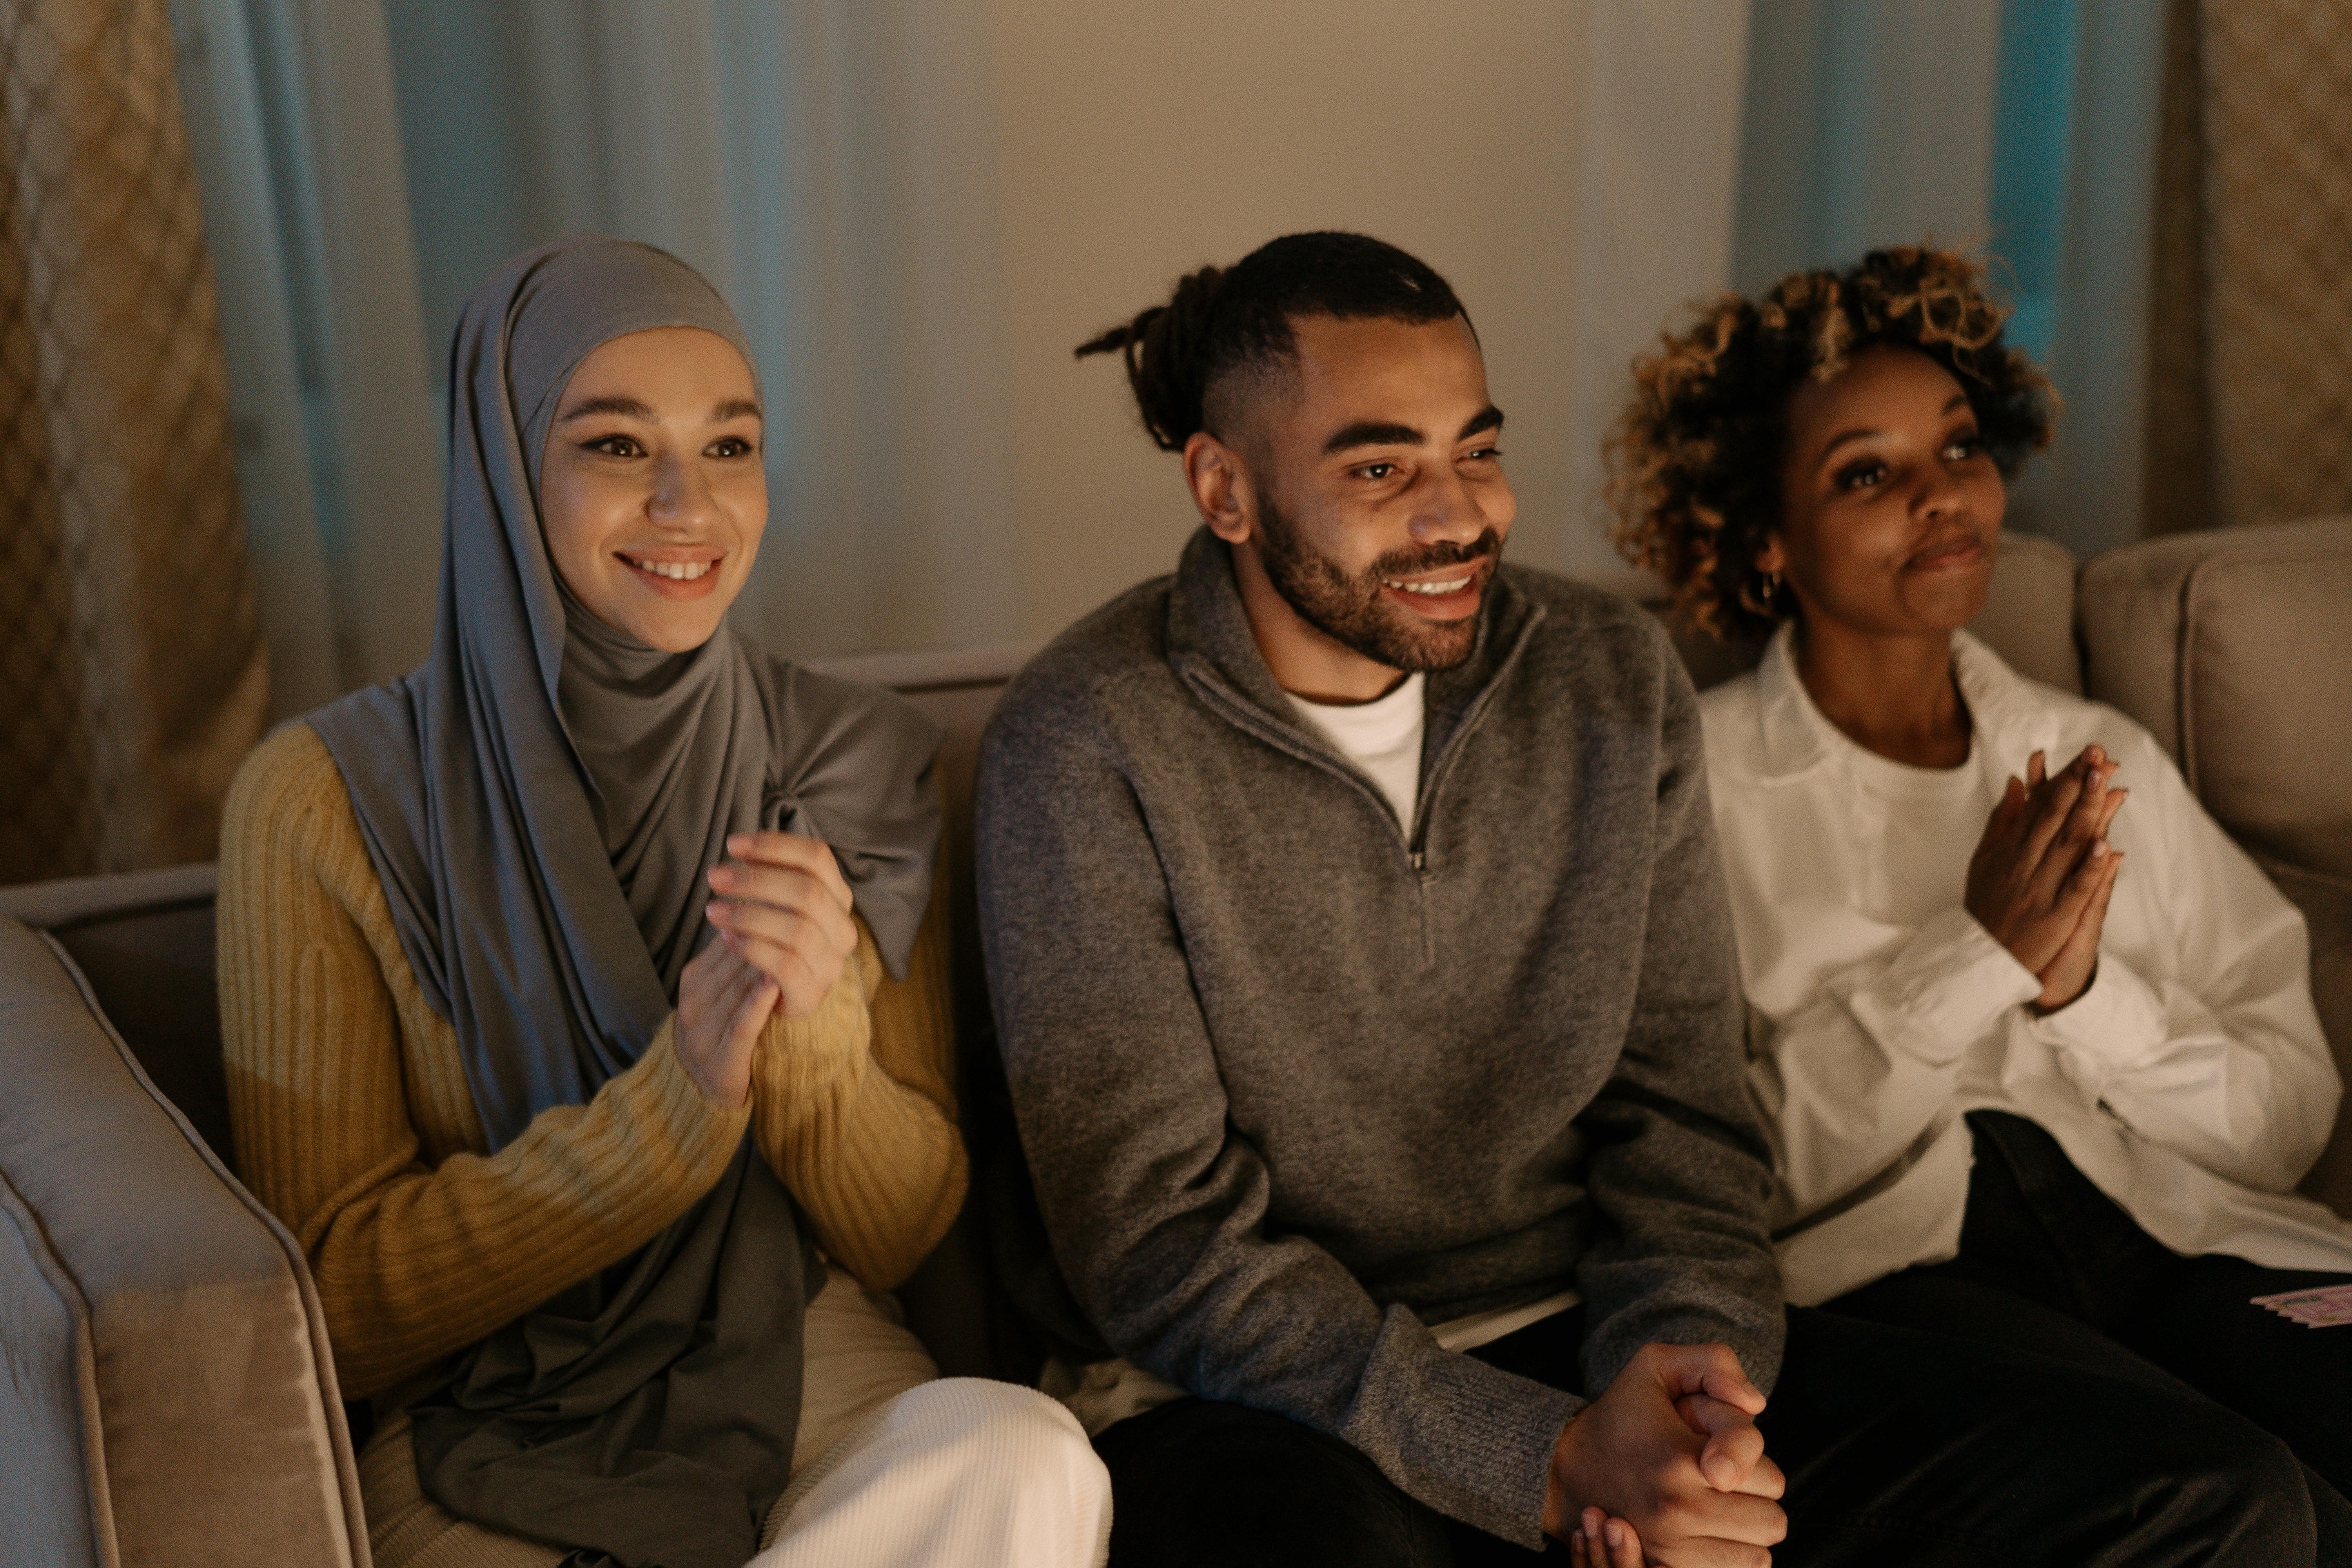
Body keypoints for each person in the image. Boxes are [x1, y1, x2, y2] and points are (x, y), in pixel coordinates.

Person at [974, 229, 2327, 1568]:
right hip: (1255, 1400)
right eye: (1382, 467)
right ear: (1225, 489)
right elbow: (1164, 1246)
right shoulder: (1088, 737)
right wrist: (1545, 1464)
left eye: (1479, 450)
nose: (1461, 516)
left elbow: (1685, 1122)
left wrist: (1687, 1398)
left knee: (2215, 1497)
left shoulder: (1607, 681)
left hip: (1595, 1337)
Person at [217, 236, 1110, 1568]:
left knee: (1024, 1459)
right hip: (488, 1413)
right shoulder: (326, 802)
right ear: (508, 471)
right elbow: (334, 1305)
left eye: (732, 447)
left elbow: (905, 1223)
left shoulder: (846, 759)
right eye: (619, 447)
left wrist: (806, 1038)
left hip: (810, 1362)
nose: (691, 505)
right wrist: (674, 1106)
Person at [1609, 243, 2352, 1559]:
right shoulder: (1690, 788)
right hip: (1902, 1280)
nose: (1941, 499)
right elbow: (1710, 1180)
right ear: (1766, 540)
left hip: (2173, 1229)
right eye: (1867, 474)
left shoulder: (2093, 753)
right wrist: (1978, 956)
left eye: (1958, 449)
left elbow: (2287, 1117)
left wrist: (2082, 993)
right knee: (2247, 1501)